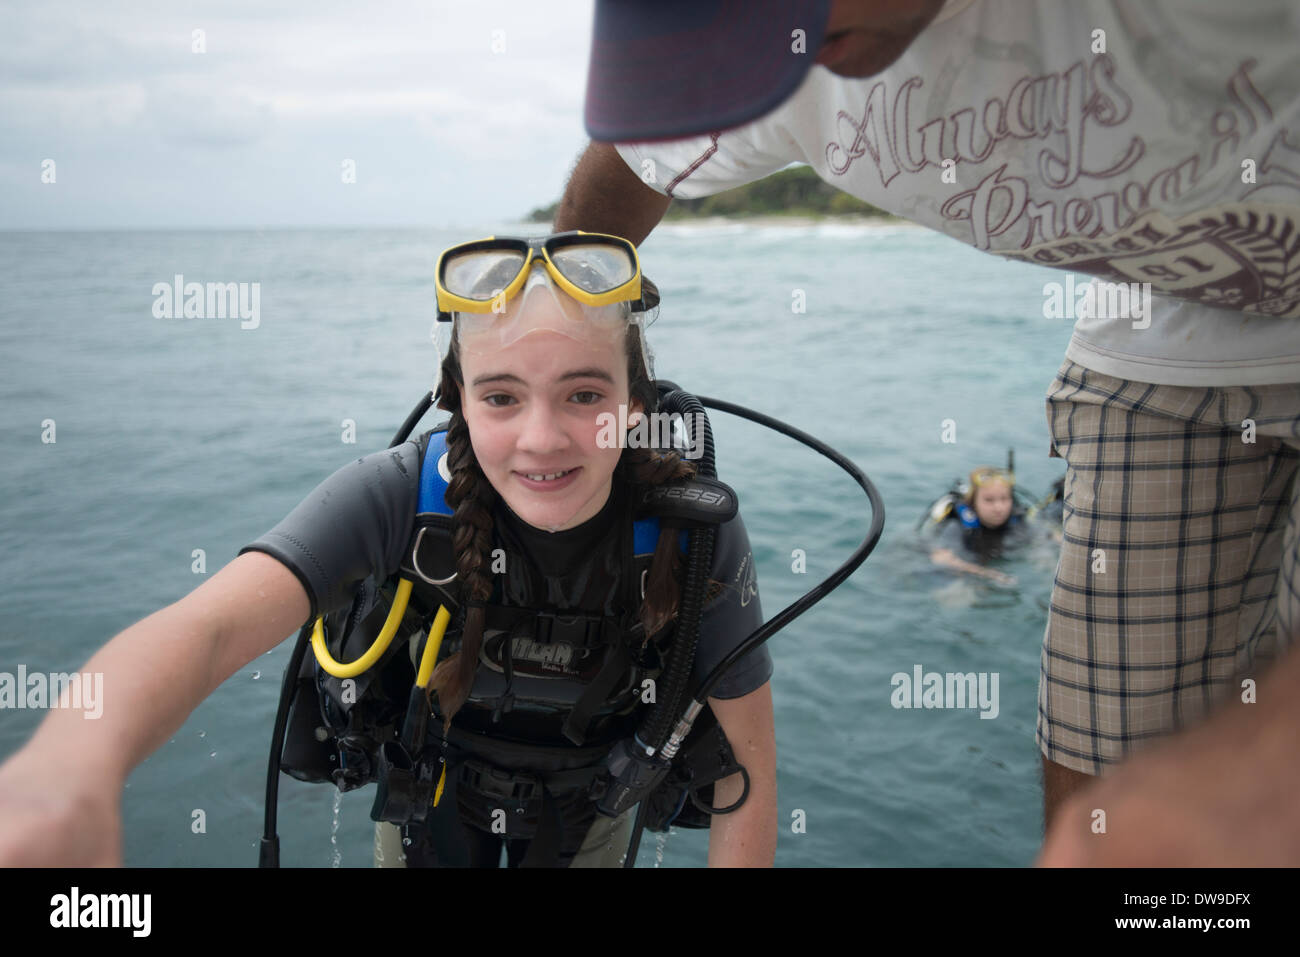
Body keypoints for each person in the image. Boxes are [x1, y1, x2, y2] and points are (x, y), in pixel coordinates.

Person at [560, 0, 1300, 863]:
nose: (787, 50)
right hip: (1163, 333)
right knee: (1102, 802)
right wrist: (554, 376)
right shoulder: (764, 56)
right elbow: (625, 173)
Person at [0, 231, 778, 868]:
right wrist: (71, 769)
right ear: (459, 400)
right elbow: (206, 630)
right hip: (427, 799)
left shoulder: (693, 529)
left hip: (595, 810)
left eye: (584, 394)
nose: (542, 439)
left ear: (633, 402)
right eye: (501, 396)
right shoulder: (396, 495)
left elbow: (749, 763)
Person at [926, 466, 1028, 586]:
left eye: (1004, 499)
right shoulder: (956, 527)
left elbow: (1044, 539)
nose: (998, 508)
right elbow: (941, 559)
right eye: (989, 500)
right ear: (974, 502)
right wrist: (989, 574)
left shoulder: (1017, 522)